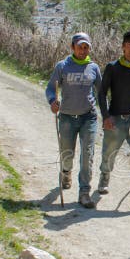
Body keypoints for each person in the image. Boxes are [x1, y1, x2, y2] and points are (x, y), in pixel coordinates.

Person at [97, 30, 130, 216]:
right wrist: (106, 116)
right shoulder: (113, 67)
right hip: (115, 119)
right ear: (123, 47)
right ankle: (104, 177)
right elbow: (102, 93)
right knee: (108, 153)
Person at [46, 32, 101, 208]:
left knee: (88, 155)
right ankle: (66, 171)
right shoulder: (62, 66)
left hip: (88, 117)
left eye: (86, 47)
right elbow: (50, 88)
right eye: (80, 47)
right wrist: (52, 101)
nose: (83, 51)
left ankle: (84, 192)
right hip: (67, 117)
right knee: (67, 152)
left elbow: (101, 92)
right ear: (72, 47)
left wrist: (107, 114)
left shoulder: (94, 68)